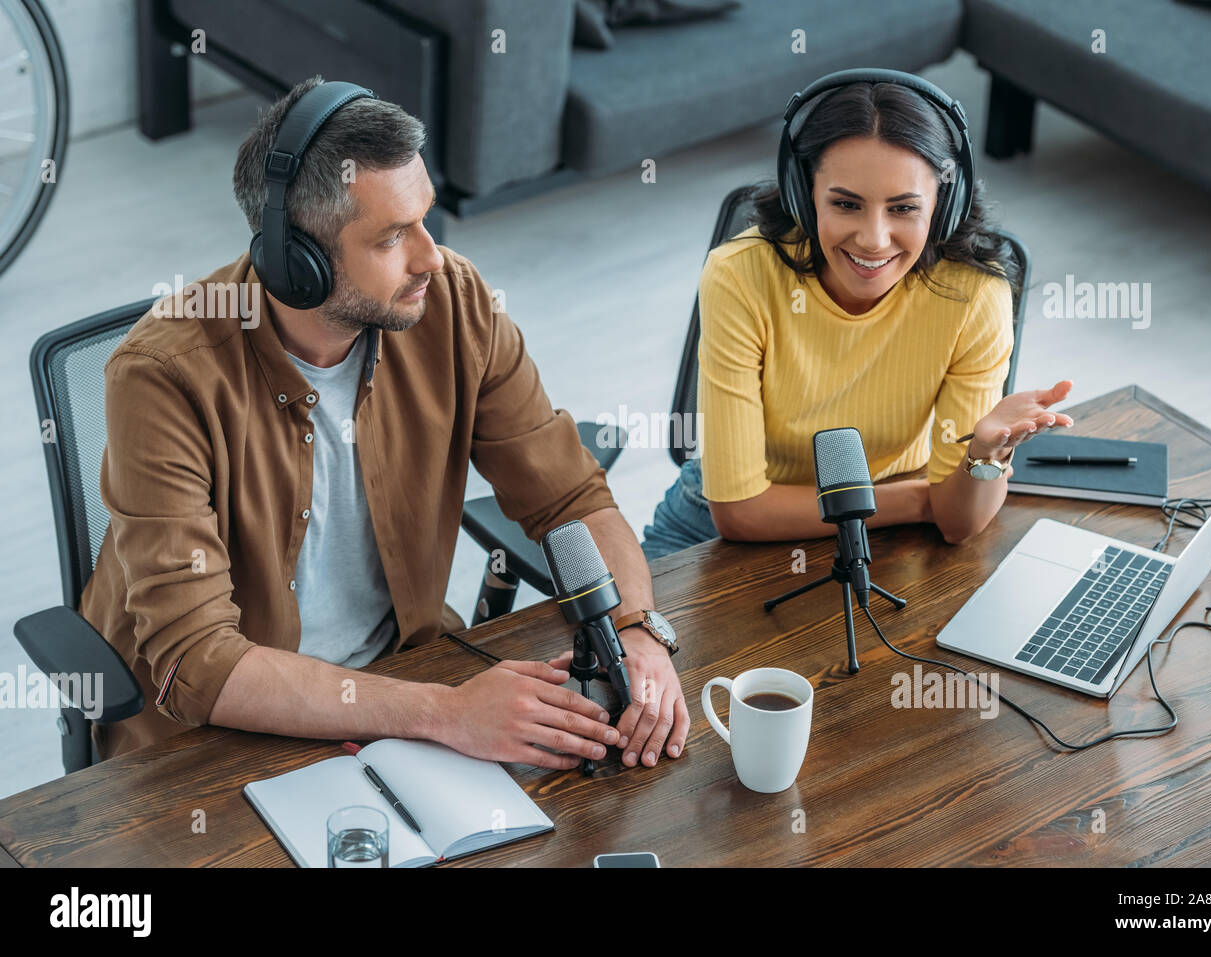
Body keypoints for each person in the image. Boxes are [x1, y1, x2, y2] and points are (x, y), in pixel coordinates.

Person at [80, 77, 687, 771]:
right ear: (296, 264)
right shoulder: (163, 374)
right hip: (217, 737)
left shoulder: (454, 301)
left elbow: (570, 499)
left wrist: (637, 631)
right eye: (393, 237)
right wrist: (446, 713)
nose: (431, 256)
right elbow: (199, 659)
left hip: (405, 679)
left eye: (426, 219)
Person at [642, 71, 1075, 559]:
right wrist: (920, 499)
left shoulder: (974, 293)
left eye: (904, 208)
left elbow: (958, 523)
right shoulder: (740, 276)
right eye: (846, 203)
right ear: (804, 193)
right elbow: (740, 512)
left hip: (888, 529)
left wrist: (983, 458)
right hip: (721, 530)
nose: (873, 239)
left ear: (944, 207)